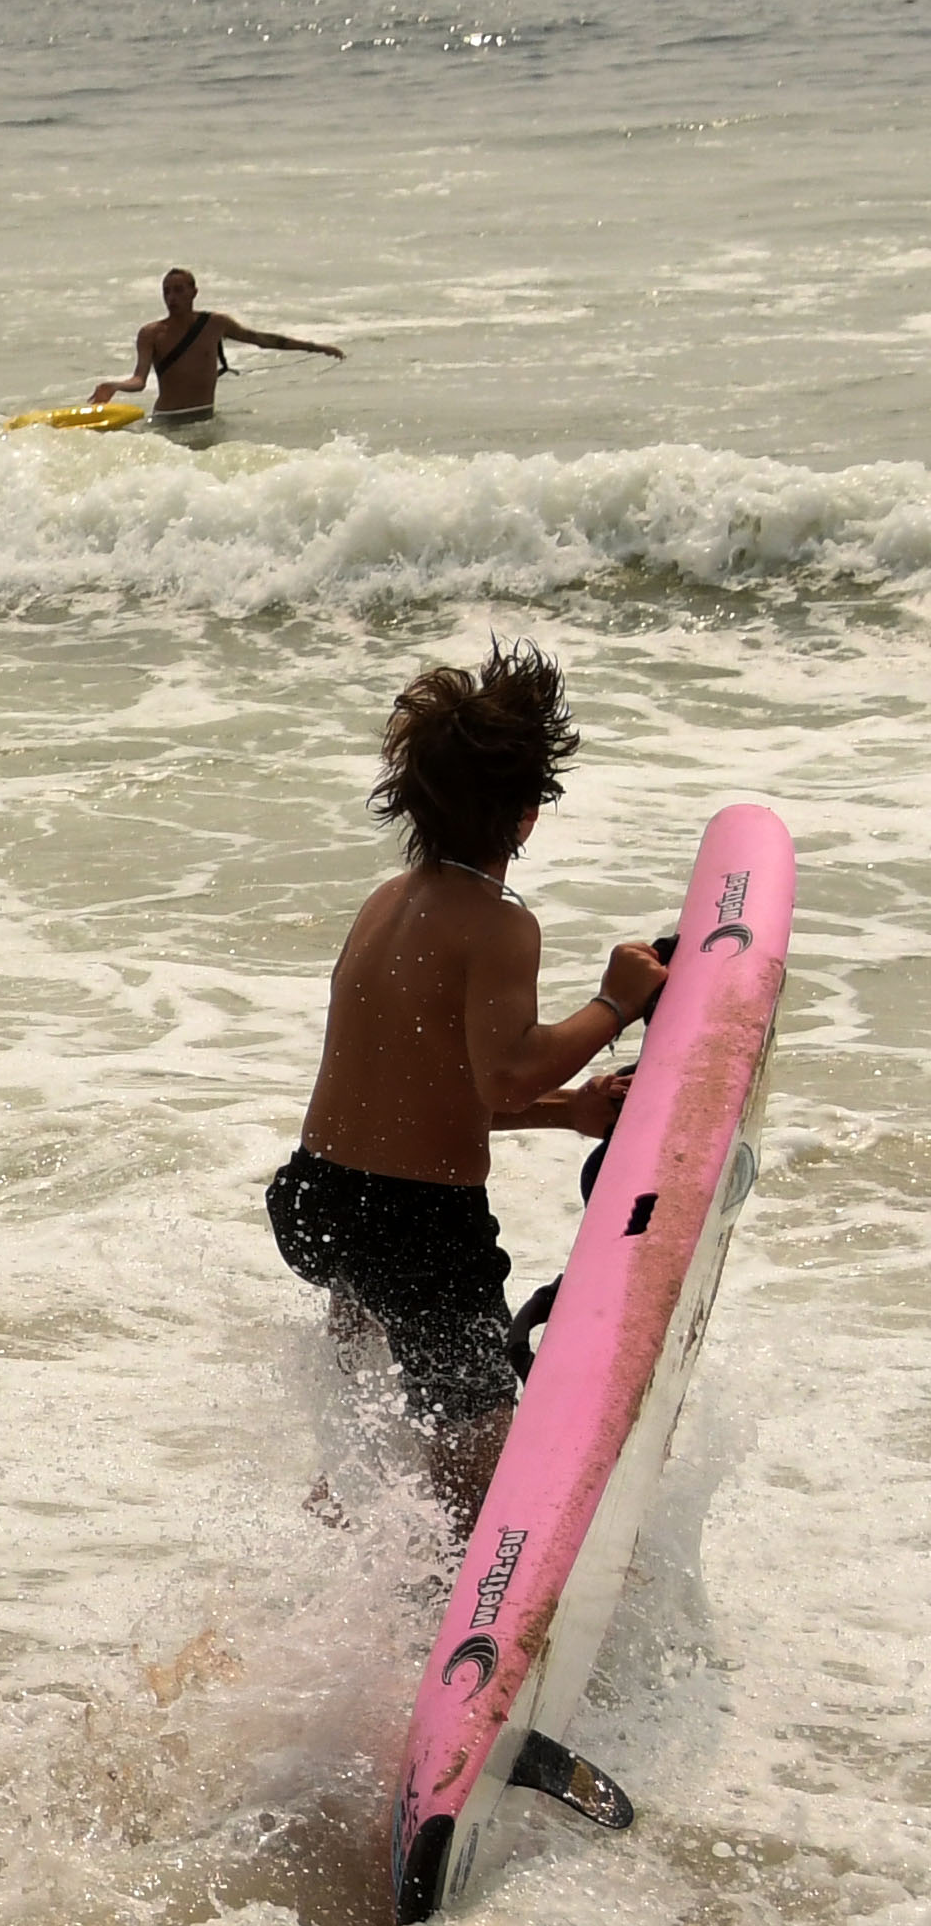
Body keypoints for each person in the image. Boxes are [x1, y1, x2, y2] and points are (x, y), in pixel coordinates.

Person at [267, 644, 661, 1531]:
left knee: (373, 1434)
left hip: (322, 1200)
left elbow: (416, 1093)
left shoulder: (385, 902)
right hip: (418, 1227)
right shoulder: (499, 923)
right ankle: (455, 1626)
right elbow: (511, 1070)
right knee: (476, 1478)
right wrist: (616, 1000)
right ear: (526, 815)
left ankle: (338, 1556)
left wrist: (569, 1115)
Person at [108, 266, 344, 421]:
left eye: (179, 290)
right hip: (168, 420)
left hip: (206, 418)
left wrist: (317, 347)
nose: (171, 298)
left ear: (194, 292)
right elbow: (139, 380)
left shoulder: (215, 324)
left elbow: (262, 340)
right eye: (166, 292)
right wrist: (115, 386)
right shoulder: (151, 333)